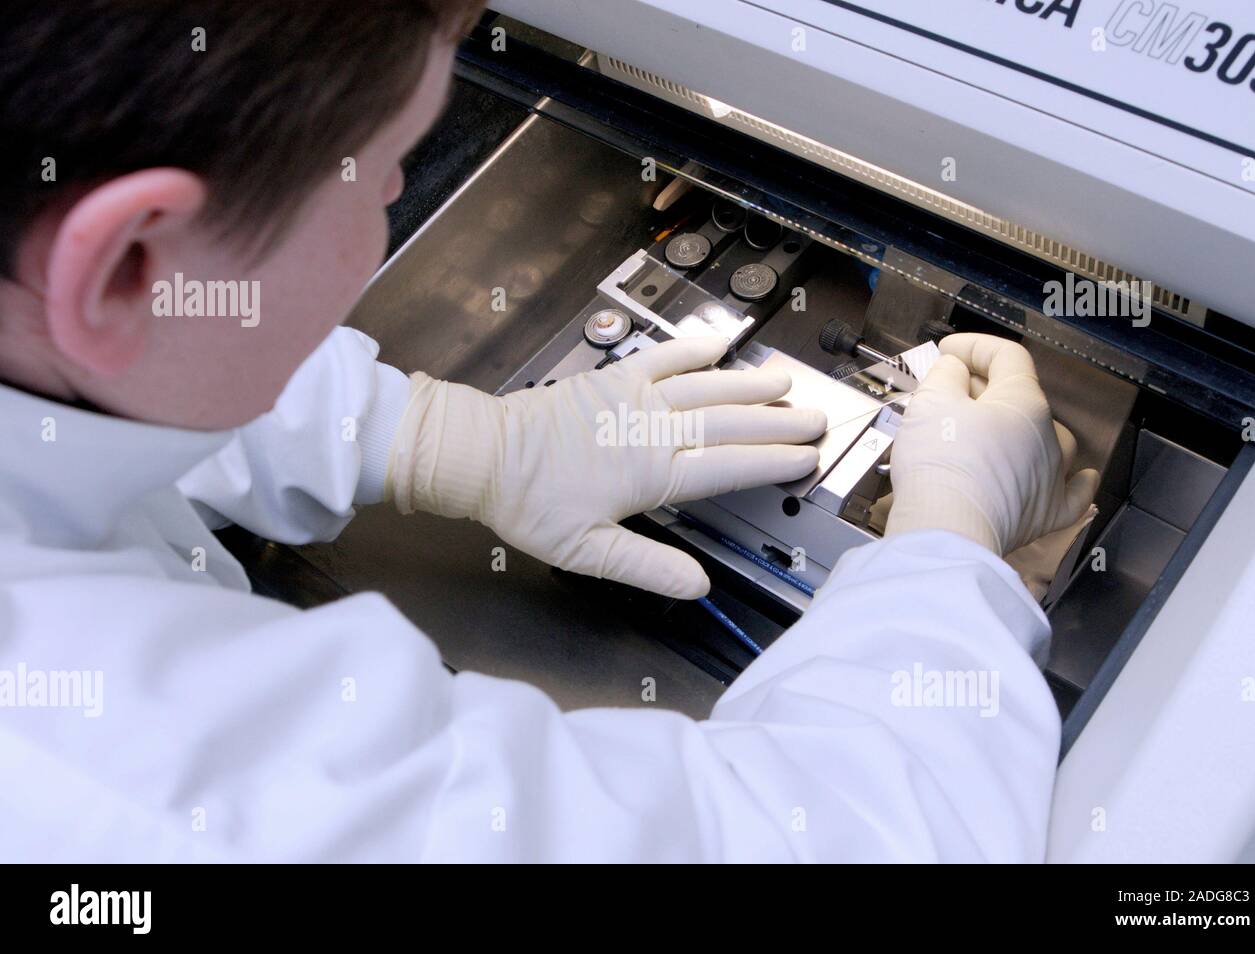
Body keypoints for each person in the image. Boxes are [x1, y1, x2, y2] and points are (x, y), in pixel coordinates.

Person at [0, 1, 1096, 861]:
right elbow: (847, 839)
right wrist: (951, 542)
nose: (391, 192)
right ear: (131, 259)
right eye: (379, 170)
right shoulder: (117, 777)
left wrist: (433, 437)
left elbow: (135, 330)